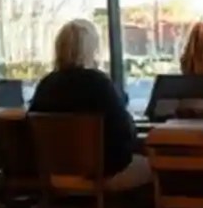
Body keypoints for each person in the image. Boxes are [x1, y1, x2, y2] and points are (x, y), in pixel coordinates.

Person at [29, 19, 150, 191]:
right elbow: (124, 135)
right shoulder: (99, 83)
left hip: (55, 176)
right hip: (102, 175)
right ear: (91, 50)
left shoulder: (45, 85)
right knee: (153, 164)